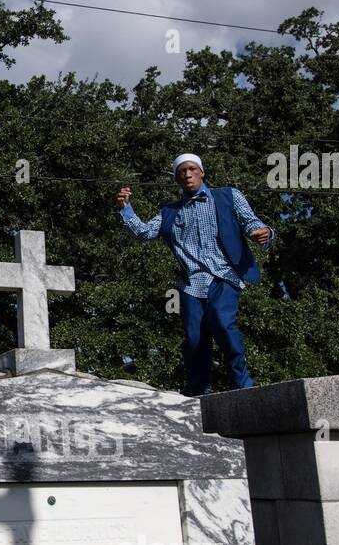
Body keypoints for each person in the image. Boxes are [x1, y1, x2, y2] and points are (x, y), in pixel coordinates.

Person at [117, 154, 274, 396]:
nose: (187, 174)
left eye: (191, 169)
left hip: (224, 276)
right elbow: (144, 233)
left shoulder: (228, 196)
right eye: (181, 172)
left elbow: (251, 221)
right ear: (177, 179)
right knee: (194, 338)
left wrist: (263, 232)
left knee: (223, 324)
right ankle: (197, 390)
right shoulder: (170, 212)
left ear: (201, 172)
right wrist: (126, 209)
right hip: (190, 284)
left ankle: (242, 383)